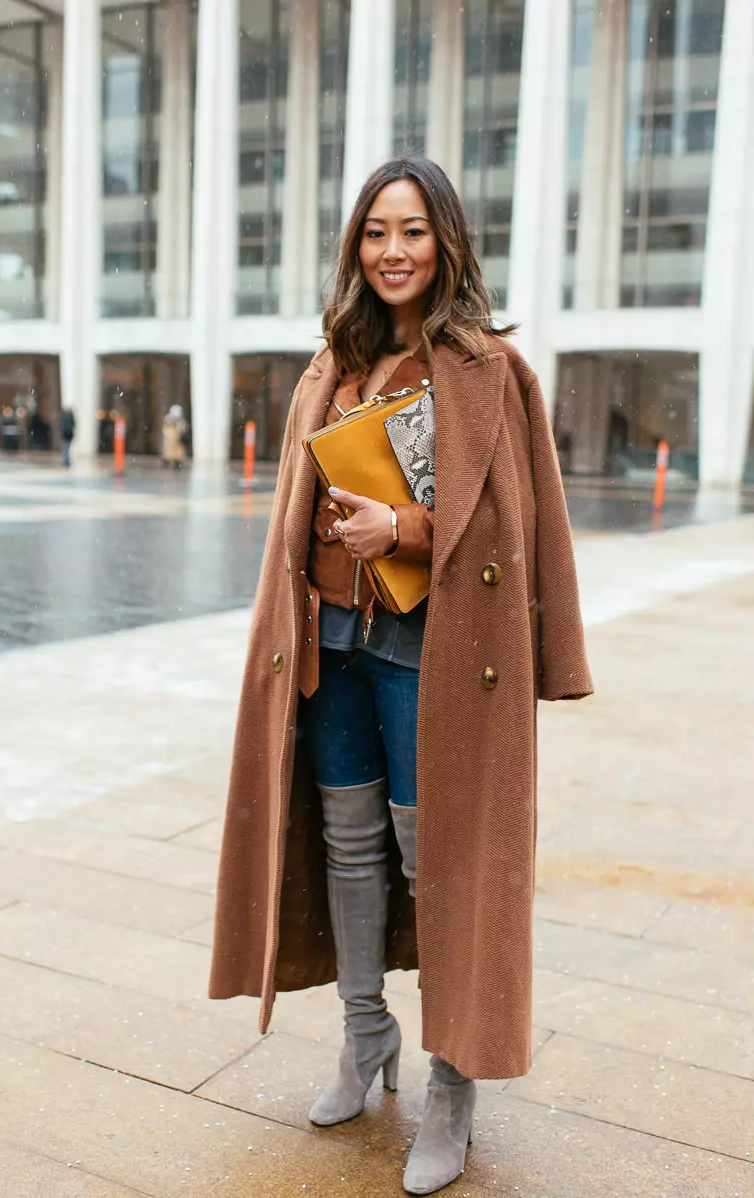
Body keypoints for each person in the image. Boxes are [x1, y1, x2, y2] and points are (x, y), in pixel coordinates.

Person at [209, 157, 593, 1195]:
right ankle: (363, 1037)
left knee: (443, 868)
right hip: (328, 641)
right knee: (346, 847)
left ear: (446, 243)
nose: (392, 250)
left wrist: (406, 527)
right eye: (375, 231)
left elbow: (521, 527)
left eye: (412, 231)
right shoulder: (329, 363)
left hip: (431, 652)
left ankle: (451, 1085)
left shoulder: (487, 368)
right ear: (354, 247)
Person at [162, 404, 188, 468]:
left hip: (177, 440)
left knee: (177, 452)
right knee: (169, 451)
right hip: (171, 440)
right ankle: (168, 462)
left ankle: (176, 463)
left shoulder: (180, 422)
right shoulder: (168, 421)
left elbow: (183, 428)